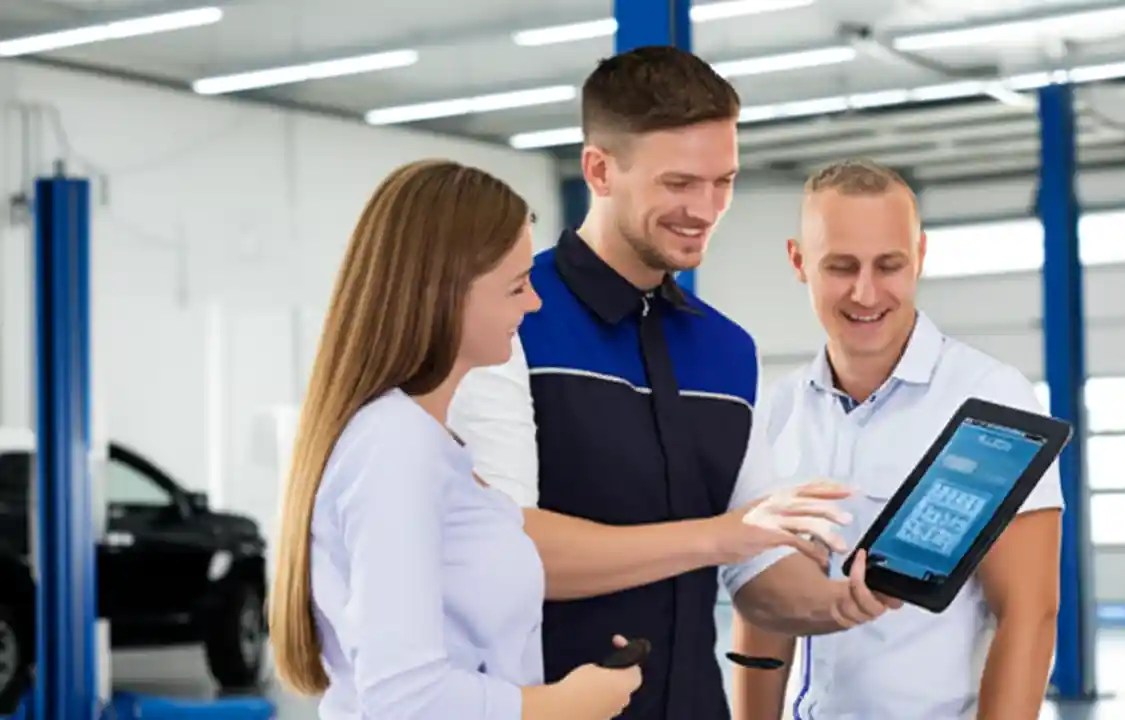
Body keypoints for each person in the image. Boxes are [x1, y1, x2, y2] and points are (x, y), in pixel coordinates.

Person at [448, 46, 861, 720]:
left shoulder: (727, 350)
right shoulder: (511, 320)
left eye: (723, 181)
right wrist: (721, 535)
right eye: (679, 183)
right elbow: (509, 548)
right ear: (599, 170)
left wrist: (844, 599)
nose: (706, 208)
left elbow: (755, 568)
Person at [267, 159, 643, 719]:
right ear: (444, 295)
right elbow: (405, 699)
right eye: (516, 286)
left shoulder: (429, 444)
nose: (534, 303)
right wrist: (565, 705)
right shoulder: (395, 445)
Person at [722, 159, 1064, 720]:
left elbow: (1029, 613)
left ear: (920, 256)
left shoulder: (991, 399)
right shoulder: (775, 412)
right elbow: (763, 606)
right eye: (841, 266)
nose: (865, 292)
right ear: (798, 261)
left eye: (889, 265)